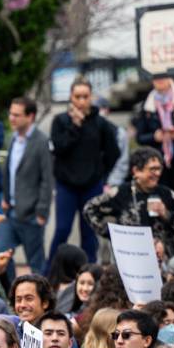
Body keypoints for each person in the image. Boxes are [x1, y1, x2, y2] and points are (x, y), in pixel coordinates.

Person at [49, 79, 120, 264]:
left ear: (91, 98)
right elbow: (58, 148)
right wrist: (75, 126)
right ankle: (50, 273)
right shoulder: (60, 121)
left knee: (89, 232)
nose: (81, 101)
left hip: (91, 184)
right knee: (62, 229)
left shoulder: (101, 123)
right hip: (66, 184)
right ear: (71, 98)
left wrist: (101, 175)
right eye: (77, 96)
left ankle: (89, 273)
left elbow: (113, 152)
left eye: (85, 96)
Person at [0, 96, 53, 274]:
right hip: (10, 211)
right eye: (10, 114)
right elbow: (9, 171)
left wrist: (41, 212)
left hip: (31, 214)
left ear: (30, 117)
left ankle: (41, 299)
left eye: (17, 115)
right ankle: (10, 295)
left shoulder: (41, 141)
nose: (11, 118)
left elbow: (47, 178)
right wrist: (6, 197)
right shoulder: (13, 138)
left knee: (36, 265)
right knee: (2, 255)